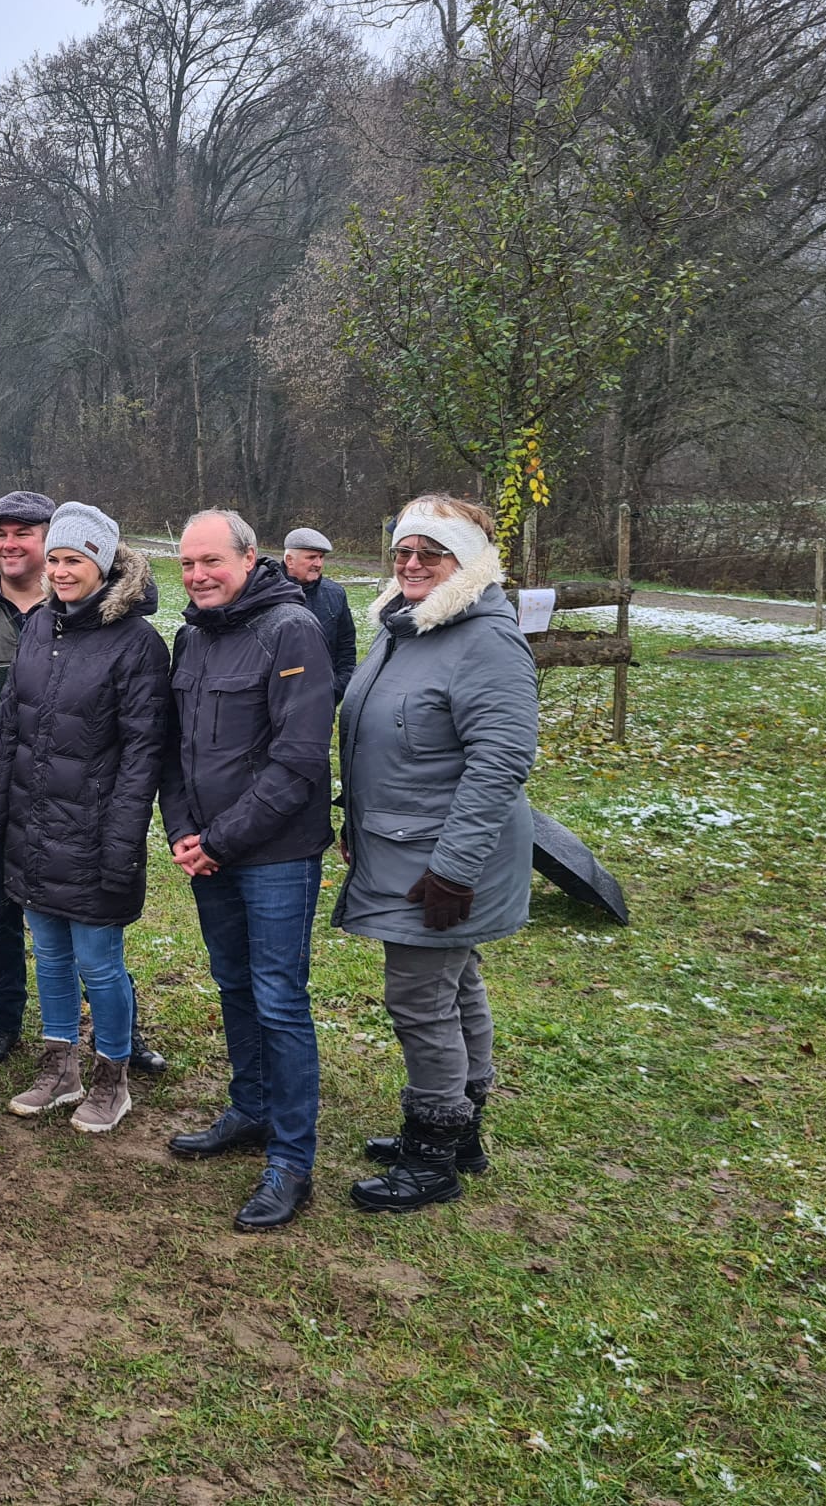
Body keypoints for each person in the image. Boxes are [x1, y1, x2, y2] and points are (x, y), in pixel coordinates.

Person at [334, 494, 537, 1212]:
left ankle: (432, 1156)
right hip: (403, 845)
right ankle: (462, 1132)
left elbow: (500, 762)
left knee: (420, 998)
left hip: (445, 859)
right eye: (403, 551)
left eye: (431, 553)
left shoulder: (486, 640)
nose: (412, 563)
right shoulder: (408, 627)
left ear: (468, 564)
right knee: (457, 984)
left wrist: (453, 869)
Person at [0, 491, 166, 1076]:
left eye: (25, 534)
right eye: (0, 533)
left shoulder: (121, 634)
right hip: (5, 800)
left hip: (85, 813)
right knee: (6, 921)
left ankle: (118, 1042)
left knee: (91, 940)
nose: (10, 545)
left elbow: (141, 747)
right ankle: (5, 1025)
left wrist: (120, 831)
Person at [160, 508, 335, 1232]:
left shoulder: (292, 631)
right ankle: (251, 1108)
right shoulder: (193, 636)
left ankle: (291, 1160)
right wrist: (182, 829)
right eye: (187, 564)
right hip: (210, 850)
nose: (199, 576)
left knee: (278, 998)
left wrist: (220, 840)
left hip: (275, 854)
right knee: (234, 983)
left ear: (248, 558)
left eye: (212, 561)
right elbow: (174, 748)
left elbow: (298, 759)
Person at [281, 526, 356, 704]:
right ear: (290, 560)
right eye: (311, 557)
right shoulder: (266, 593)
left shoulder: (335, 595)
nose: (318, 564)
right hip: (275, 703)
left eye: (321, 557)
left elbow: (346, 650)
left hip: (322, 702)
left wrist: (335, 689)